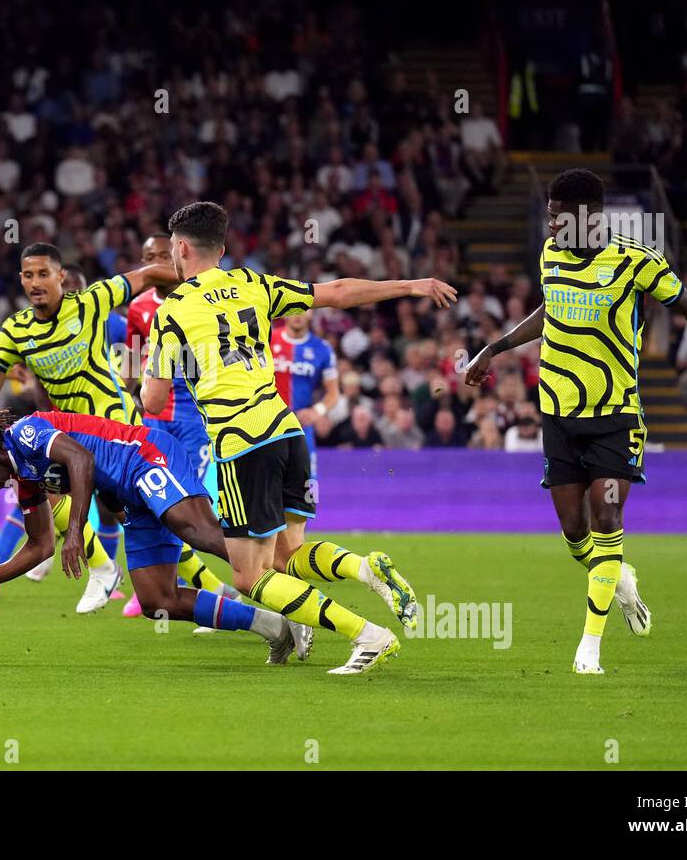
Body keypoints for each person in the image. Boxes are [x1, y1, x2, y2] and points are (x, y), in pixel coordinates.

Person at [464, 168, 687, 674]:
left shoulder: (635, 258)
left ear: (585, 215)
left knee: (607, 518)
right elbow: (551, 309)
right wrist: (495, 347)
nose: (550, 226)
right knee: (575, 531)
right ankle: (617, 578)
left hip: (616, 415)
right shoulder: (552, 254)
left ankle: (589, 647)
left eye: (557, 217)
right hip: (558, 412)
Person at [143, 201, 457, 674]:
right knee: (287, 555)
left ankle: (368, 635)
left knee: (250, 577)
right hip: (288, 432)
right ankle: (365, 569)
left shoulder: (172, 312)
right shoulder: (253, 283)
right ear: (223, 248)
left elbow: (152, 400)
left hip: (241, 442)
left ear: (180, 248)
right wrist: (412, 284)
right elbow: (337, 292)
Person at [0, 243, 226, 614]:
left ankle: (133, 573)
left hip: (117, 431)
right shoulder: (15, 330)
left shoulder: (91, 302)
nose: (35, 282)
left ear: (60, 277)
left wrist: (203, 284)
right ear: (21, 279)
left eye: (42, 273)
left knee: (144, 516)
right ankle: (108, 569)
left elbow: (147, 275)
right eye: (28, 275)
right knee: (59, 497)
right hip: (71, 439)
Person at [0, 404, 311, 664]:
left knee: (197, 531)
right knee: (157, 600)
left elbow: (81, 459)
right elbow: (39, 547)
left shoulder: (25, 432)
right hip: (127, 495)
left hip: (145, 456)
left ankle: (296, 604)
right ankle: (274, 627)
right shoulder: (24, 479)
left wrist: (74, 532)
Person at [122, 233, 239, 621]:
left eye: (161, 254)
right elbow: (132, 363)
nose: (155, 263)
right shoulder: (139, 308)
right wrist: (130, 402)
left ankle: (239, 578)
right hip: (152, 417)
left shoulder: (201, 297)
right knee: (155, 503)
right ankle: (166, 587)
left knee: (189, 504)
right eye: (147, 257)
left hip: (194, 414)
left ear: (177, 254)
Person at [270, 308, 340, 506]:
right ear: (283, 313)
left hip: (301, 429)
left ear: (311, 314)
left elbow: (333, 393)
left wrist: (316, 411)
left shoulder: (322, 349)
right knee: (268, 485)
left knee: (307, 488)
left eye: (303, 309)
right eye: (292, 309)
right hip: (268, 426)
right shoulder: (267, 340)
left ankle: (300, 536)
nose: (297, 314)